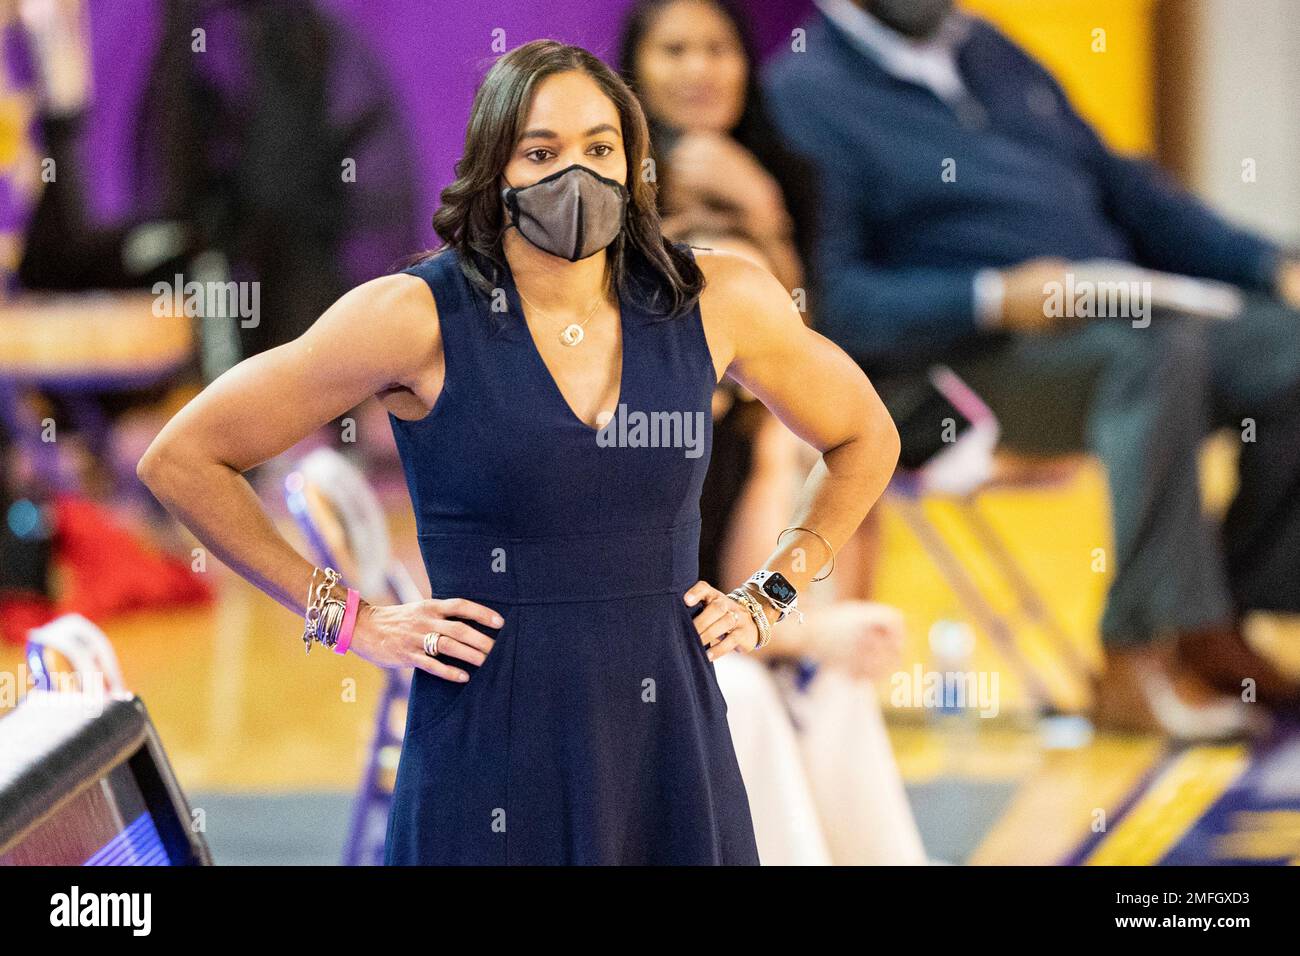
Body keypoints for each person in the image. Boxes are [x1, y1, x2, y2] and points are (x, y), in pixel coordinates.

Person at [137, 40, 900, 865]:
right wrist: (346, 619)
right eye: (542, 152)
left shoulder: (719, 298)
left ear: (636, 164)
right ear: (495, 169)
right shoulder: (411, 316)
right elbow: (183, 458)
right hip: (488, 732)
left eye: (600, 149)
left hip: (666, 730)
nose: (577, 175)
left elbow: (866, 437)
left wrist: (774, 591)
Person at [764, 0, 1300, 738]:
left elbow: (1133, 195)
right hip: (954, 373)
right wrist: (989, 299)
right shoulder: (804, 92)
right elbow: (833, 299)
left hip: (1113, 318)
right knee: (1150, 356)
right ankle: (1132, 655)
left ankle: (1216, 623)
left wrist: (1271, 267)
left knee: (1289, 349)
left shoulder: (993, 50)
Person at [621, 0, 926, 864]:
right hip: (623, 663)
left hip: (705, 638)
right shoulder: (621, 418)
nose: (698, 69)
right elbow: (642, 602)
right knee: (749, 692)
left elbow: (744, 587)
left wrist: (800, 623)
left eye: (717, 48)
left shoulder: (758, 420)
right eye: (673, 49)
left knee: (829, 682)